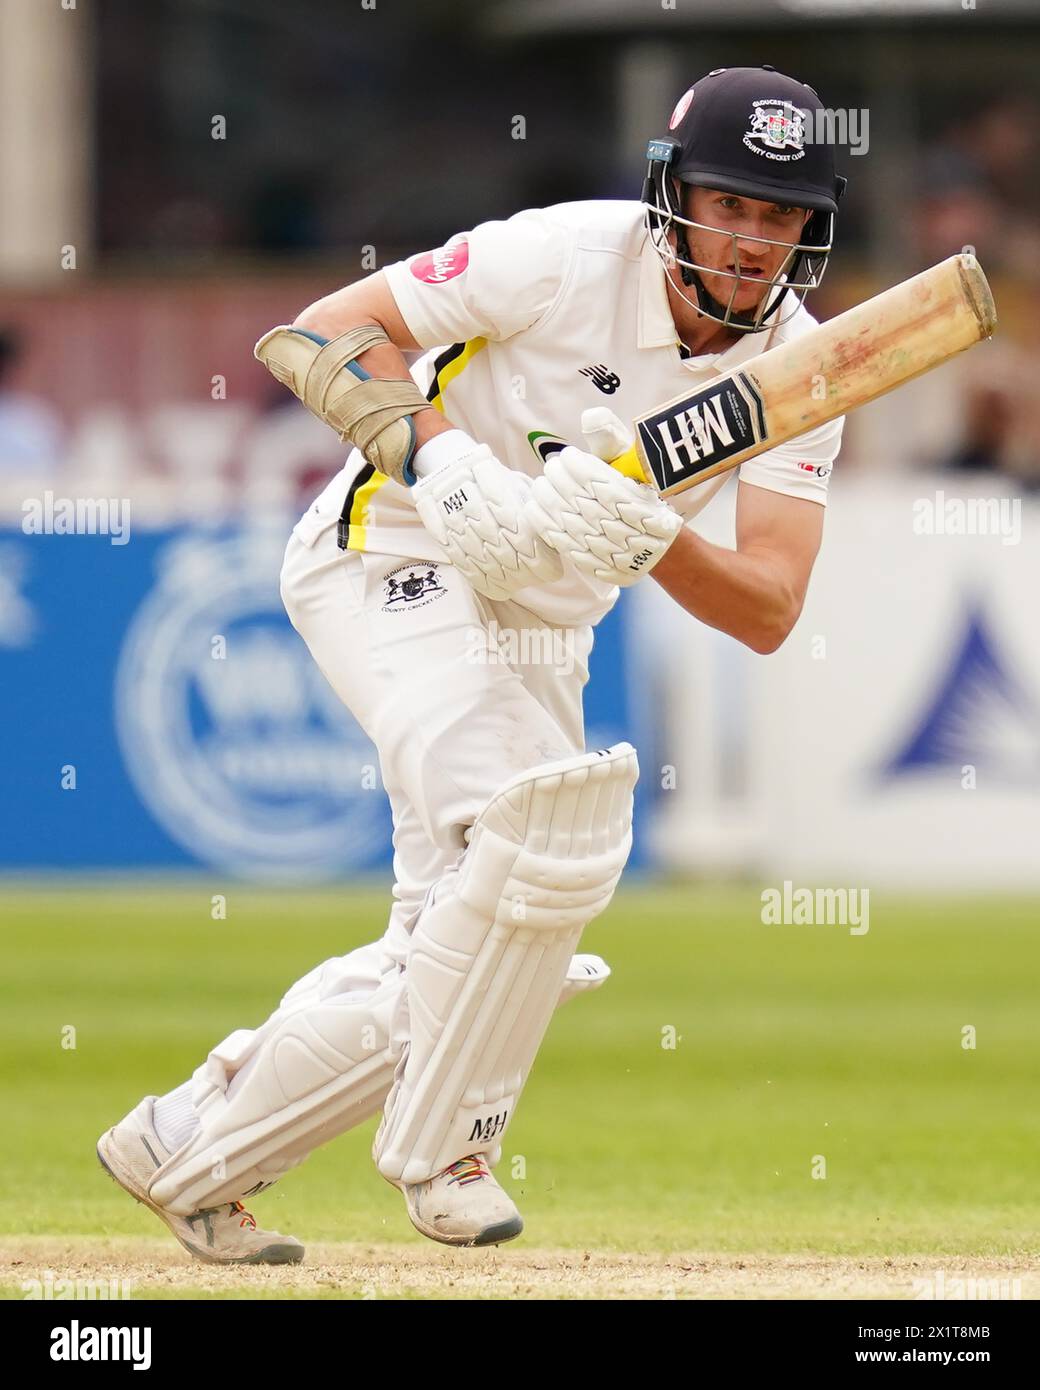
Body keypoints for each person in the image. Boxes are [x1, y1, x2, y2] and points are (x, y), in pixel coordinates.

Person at [97, 65, 847, 1264]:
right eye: (727, 204)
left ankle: (193, 1141)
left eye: (779, 215)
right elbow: (318, 333)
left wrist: (655, 542)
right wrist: (444, 465)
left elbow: (764, 607)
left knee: (466, 934)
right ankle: (446, 1146)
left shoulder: (802, 369)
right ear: (670, 194)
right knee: (527, 846)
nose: (751, 241)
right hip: (392, 549)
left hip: (544, 624)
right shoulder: (562, 255)